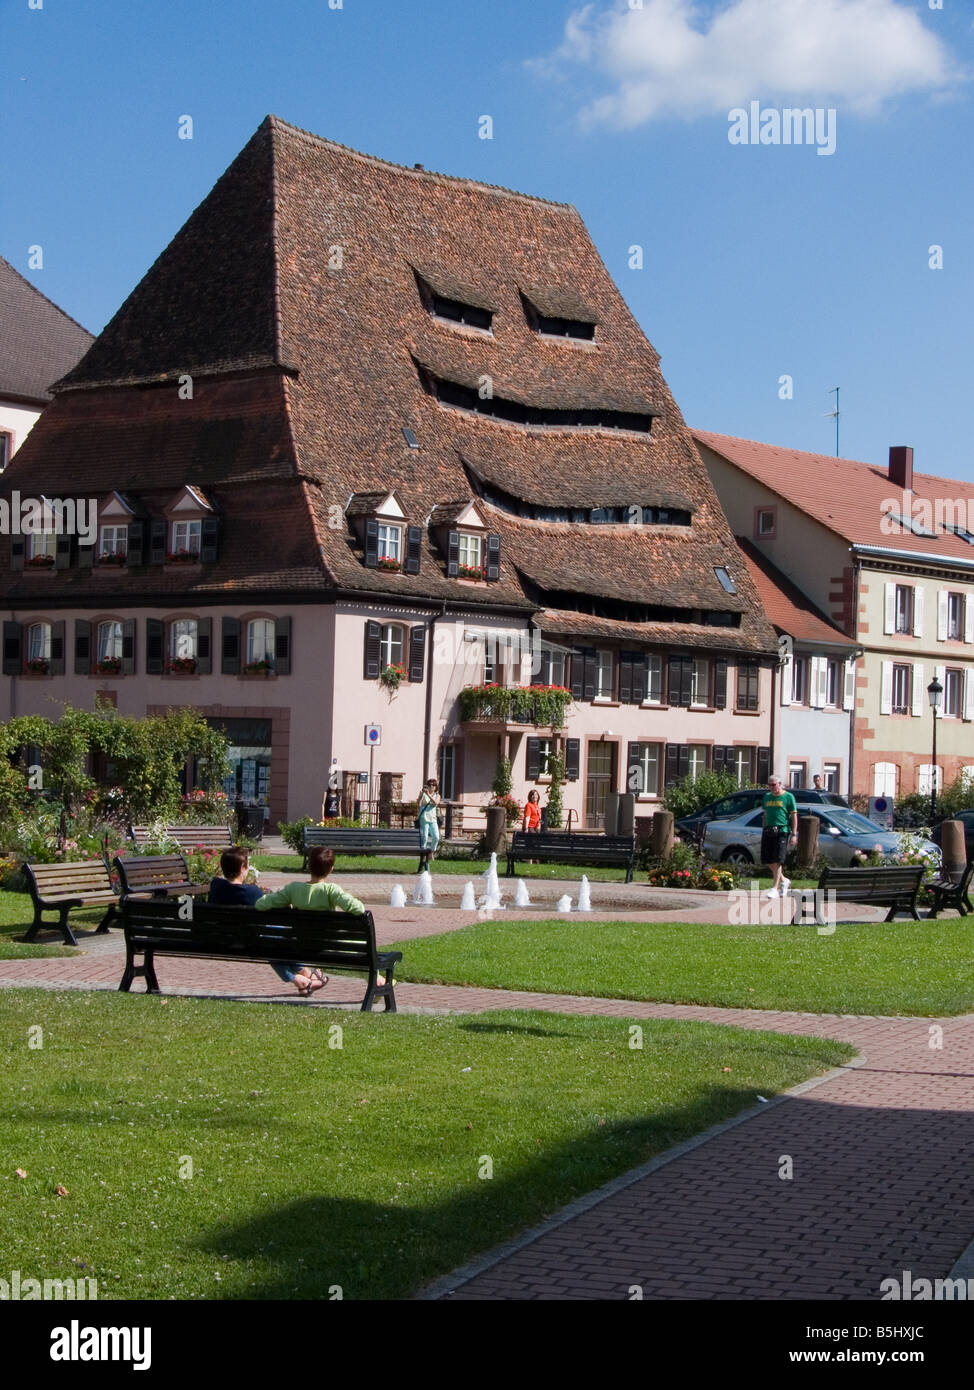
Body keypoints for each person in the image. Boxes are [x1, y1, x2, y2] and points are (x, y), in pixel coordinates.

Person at [209, 846, 327, 997]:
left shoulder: (216, 886)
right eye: (247, 866)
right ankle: (302, 974)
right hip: (248, 942)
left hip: (221, 939)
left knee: (270, 936)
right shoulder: (252, 892)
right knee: (274, 937)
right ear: (242, 868)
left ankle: (302, 977)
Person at [254, 846, 367, 993]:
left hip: (301, 946)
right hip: (328, 946)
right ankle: (377, 981)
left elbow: (260, 904)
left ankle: (306, 979)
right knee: (361, 947)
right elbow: (359, 909)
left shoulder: (293, 889)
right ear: (331, 869)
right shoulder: (331, 890)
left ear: (309, 866)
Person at [761, 775, 798, 898]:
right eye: (769, 785)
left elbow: (793, 816)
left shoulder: (788, 797)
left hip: (782, 830)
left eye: (773, 785)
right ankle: (784, 880)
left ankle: (774, 888)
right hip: (769, 830)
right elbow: (765, 814)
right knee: (768, 860)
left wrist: (794, 834)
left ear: (780, 784)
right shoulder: (767, 797)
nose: (771, 787)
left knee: (778, 860)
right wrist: (764, 828)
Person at [417, 778, 441, 871]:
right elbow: (418, 804)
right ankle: (423, 857)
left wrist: (428, 795)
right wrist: (421, 796)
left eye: (434, 785)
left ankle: (431, 852)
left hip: (433, 819)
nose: (432, 786)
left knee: (436, 837)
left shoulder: (437, 795)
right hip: (424, 818)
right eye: (430, 785)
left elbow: (435, 803)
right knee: (424, 838)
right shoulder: (423, 794)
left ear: (436, 787)